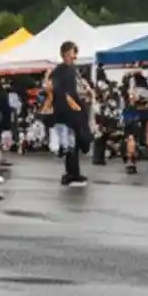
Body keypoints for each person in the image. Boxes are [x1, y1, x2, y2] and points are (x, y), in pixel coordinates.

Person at [50, 41, 91, 187]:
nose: (75, 57)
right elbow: (61, 93)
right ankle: (72, 173)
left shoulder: (71, 70)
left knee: (75, 142)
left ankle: (73, 172)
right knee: (70, 142)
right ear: (66, 53)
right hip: (66, 112)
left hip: (72, 111)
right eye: (73, 53)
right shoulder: (61, 72)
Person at [120, 63, 148, 174]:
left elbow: (137, 99)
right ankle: (134, 160)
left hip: (134, 113)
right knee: (135, 138)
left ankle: (133, 161)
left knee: (135, 138)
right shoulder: (139, 81)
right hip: (136, 113)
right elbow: (145, 100)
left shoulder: (134, 81)